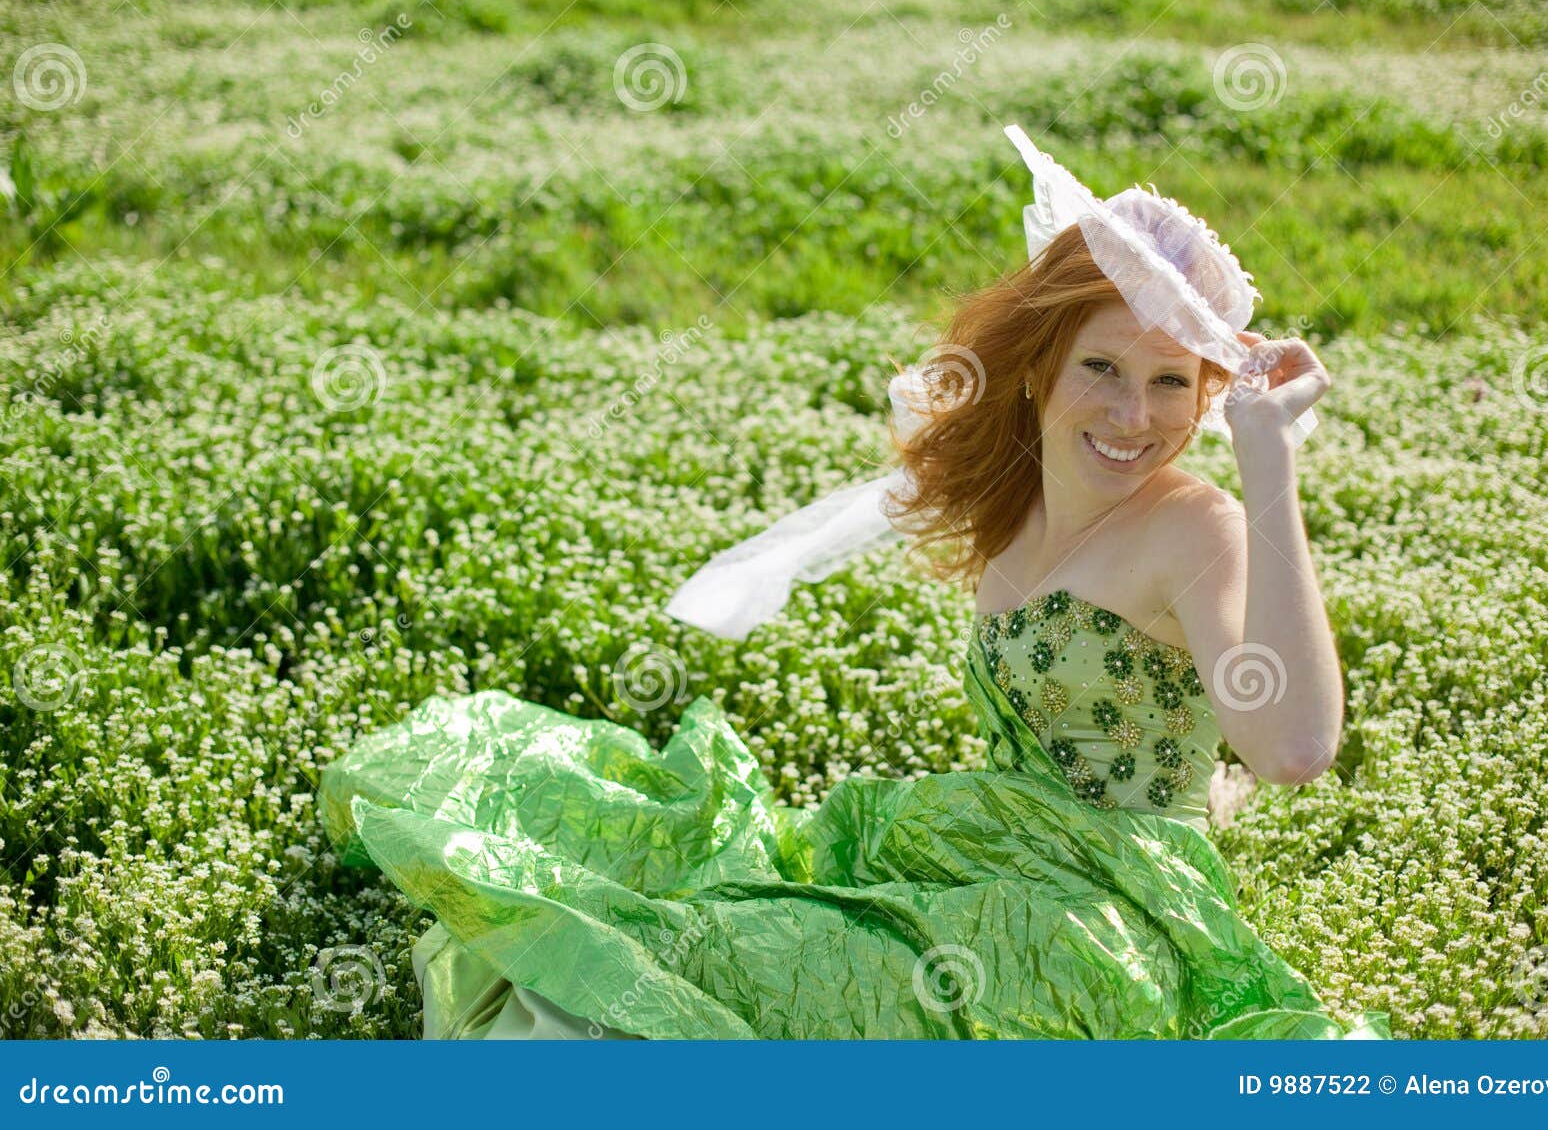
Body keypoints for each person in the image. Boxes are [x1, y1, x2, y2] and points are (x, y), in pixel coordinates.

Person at [315, 123, 1391, 1040]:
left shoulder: (1197, 528)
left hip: (1097, 920)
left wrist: (1268, 458)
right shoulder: (1018, 491)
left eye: (1169, 383)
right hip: (979, 846)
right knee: (694, 893)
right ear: (1038, 363)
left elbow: (1292, 747)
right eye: (1101, 367)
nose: (1133, 416)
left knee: (748, 965)